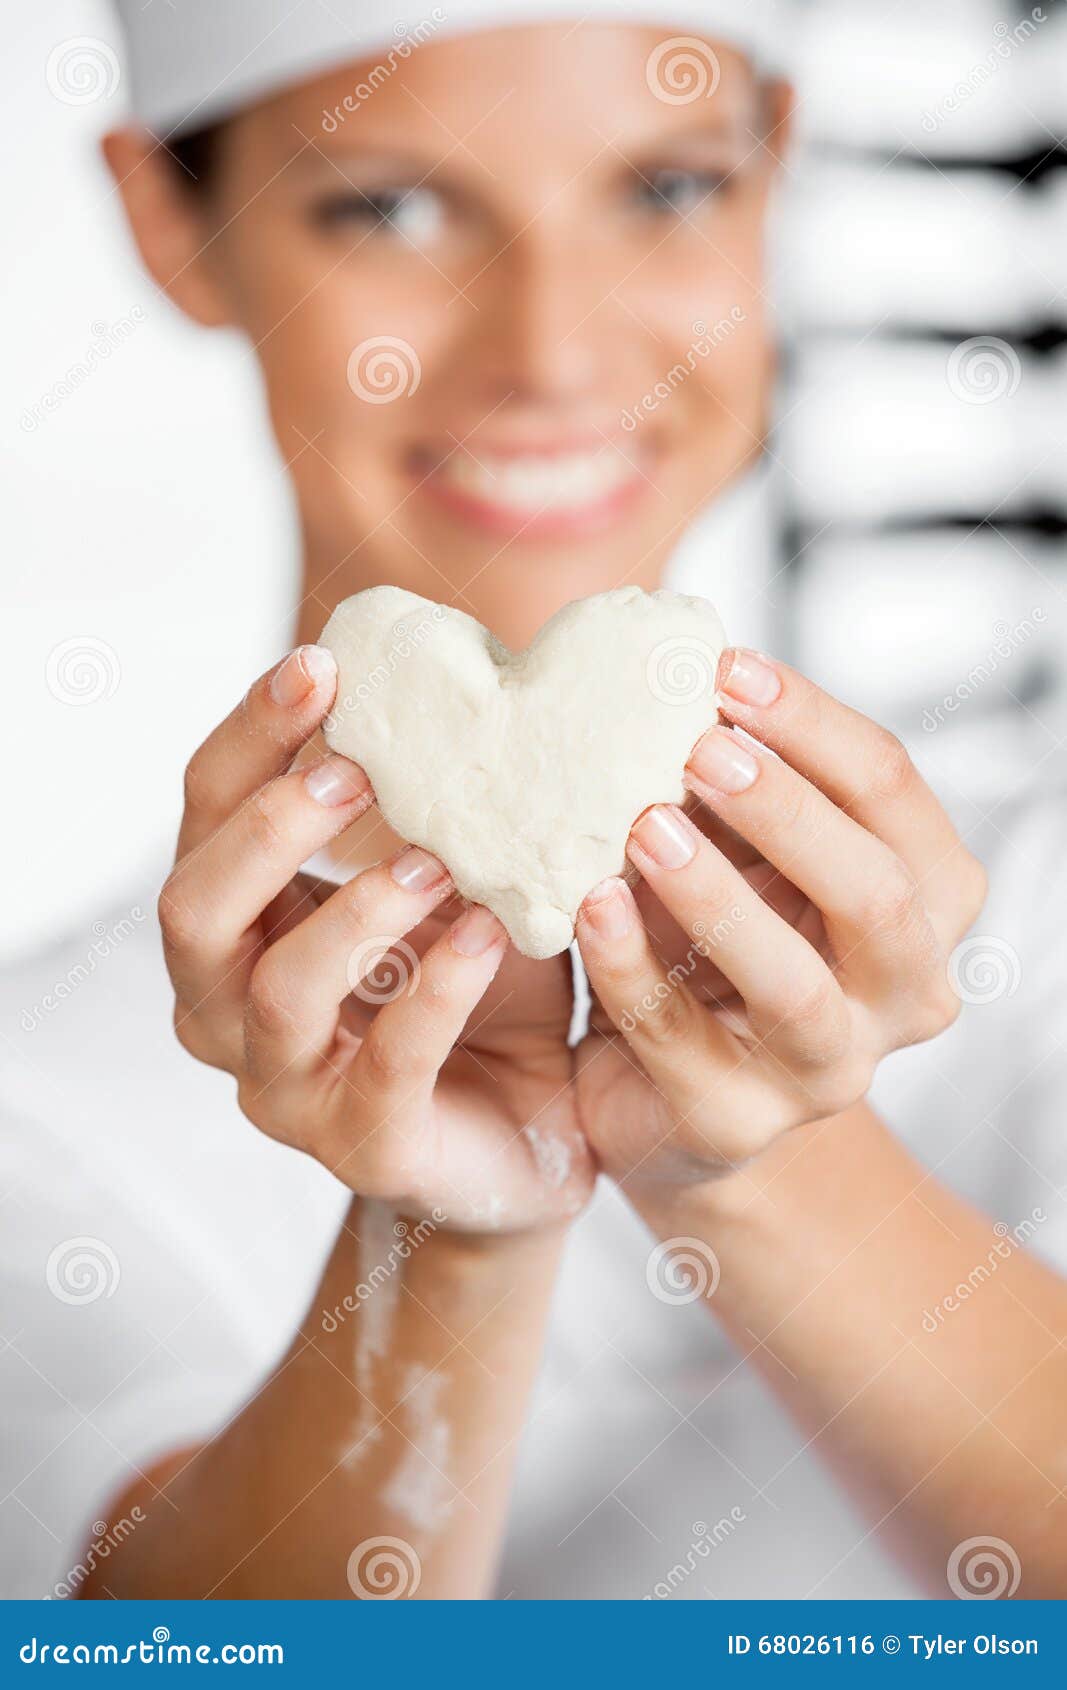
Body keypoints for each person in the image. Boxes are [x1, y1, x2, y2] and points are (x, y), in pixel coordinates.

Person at [4, 0, 1065, 1601]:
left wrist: (753, 1161)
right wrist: (457, 1236)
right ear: (174, 218)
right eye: (393, 206)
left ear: (774, 173)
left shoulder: (1037, 910)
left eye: (665, 190)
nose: (552, 354)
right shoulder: (39, 1125)